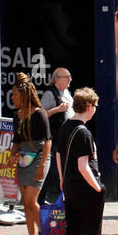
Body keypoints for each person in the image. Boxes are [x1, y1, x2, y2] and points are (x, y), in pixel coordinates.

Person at [53, 88, 112, 235]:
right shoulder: (84, 133)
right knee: (92, 230)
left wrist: (62, 179)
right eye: (95, 105)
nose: (96, 109)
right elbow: (83, 166)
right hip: (86, 188)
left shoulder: (65, 127)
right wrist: (97, 187)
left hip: (70, 186)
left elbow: (59, 155)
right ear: (88, 106)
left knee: (73, 228)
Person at [11, 73, 52, 235]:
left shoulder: (39, 114)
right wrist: (12, 155)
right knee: (25, 203)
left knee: (31, 200)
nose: (12, 98)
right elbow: (17, 141)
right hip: (23, 157)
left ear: (25, 96)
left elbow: (48, 141)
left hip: (39, 155)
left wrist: (42, 165)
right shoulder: (17, 115)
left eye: (15, 95)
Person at [40, 67, 73, 204]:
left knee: (63, 168)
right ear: (57, 79)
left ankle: (61, 197)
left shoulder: (67, 93)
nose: (70, 79)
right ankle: (42, 198)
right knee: (52, 169)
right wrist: (57, 110)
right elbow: (41, 115)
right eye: (67, 77)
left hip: (66, 137)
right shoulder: (50, 94)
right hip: (54, 138)